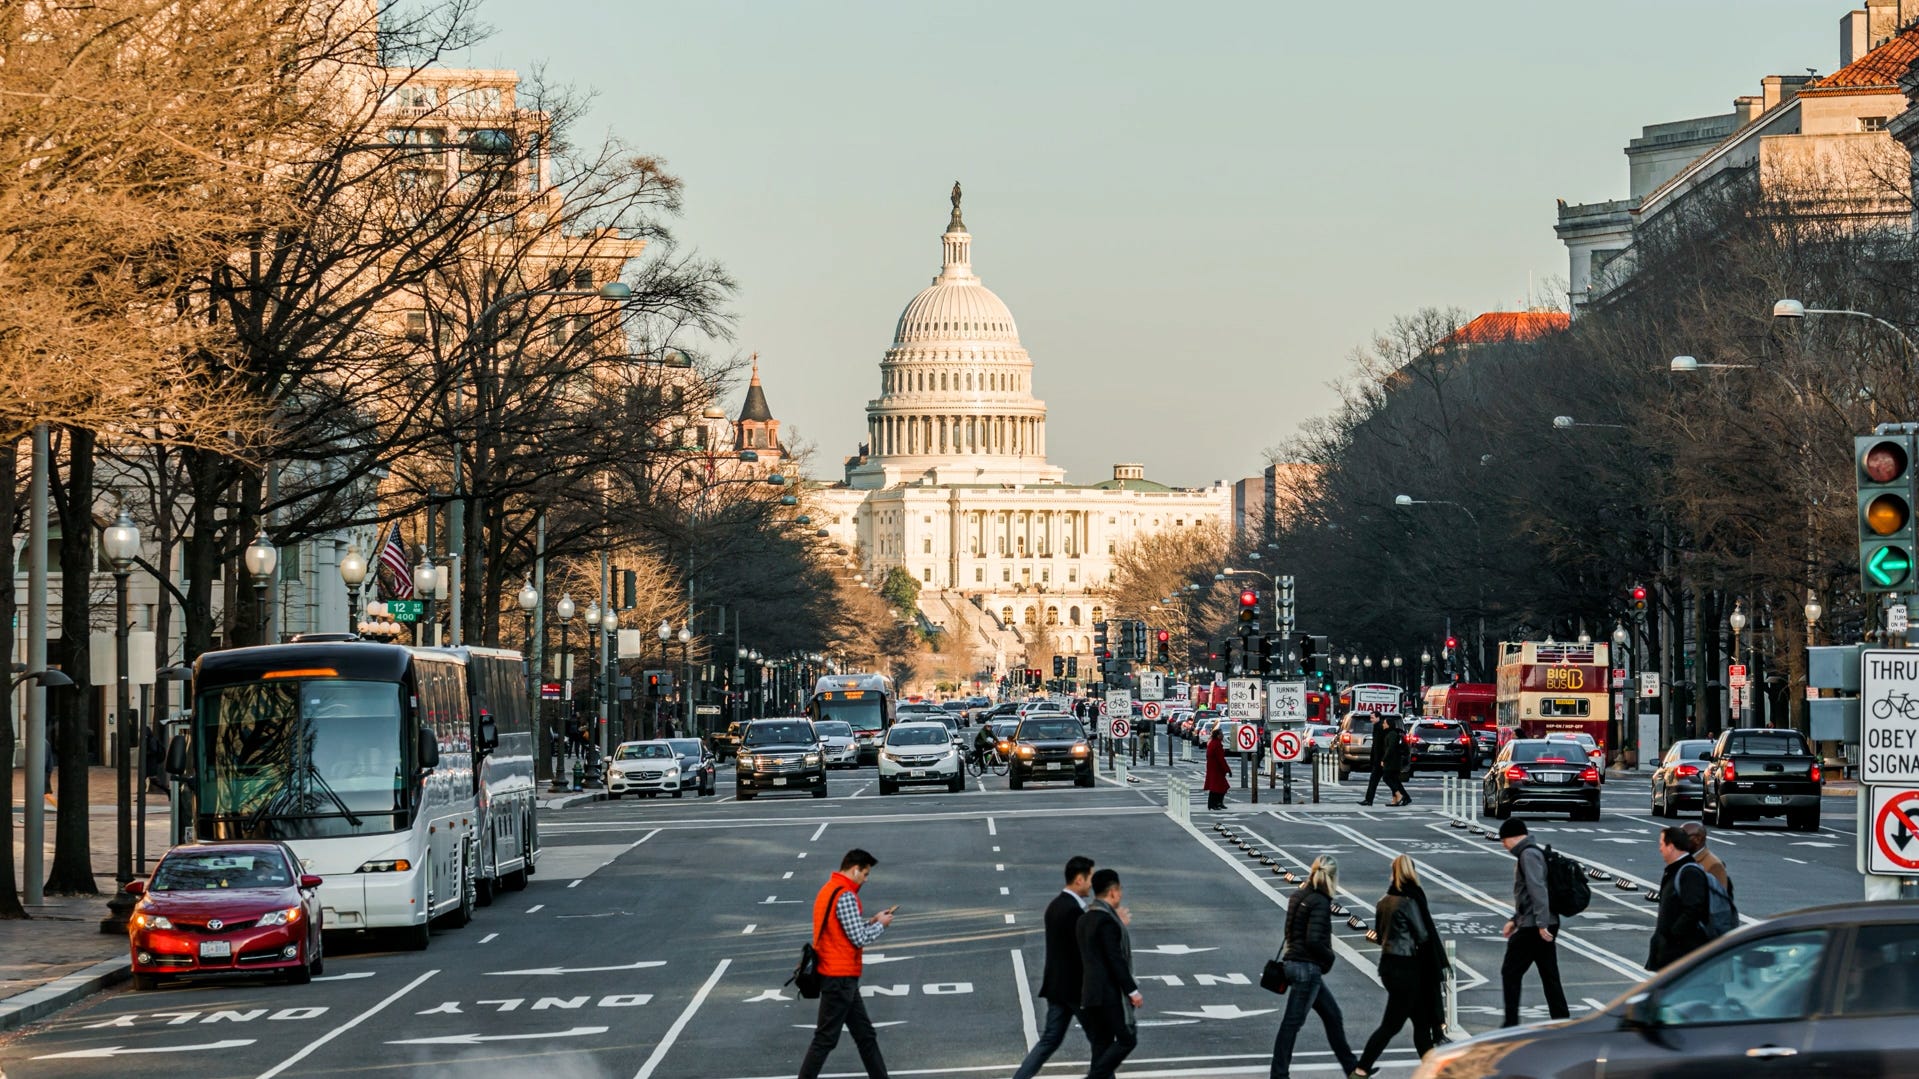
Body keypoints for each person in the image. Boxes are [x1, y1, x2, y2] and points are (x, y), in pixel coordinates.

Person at [797, 849, 897, 1079]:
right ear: (855, 869)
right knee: (825, 1039)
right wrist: (881, 925)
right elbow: (859, 938)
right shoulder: (846, 895)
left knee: (865, 1036)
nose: (866, 879)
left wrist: (871, 920)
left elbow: (840, 929)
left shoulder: (828, 890)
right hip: (839, 977)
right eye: (865, 873)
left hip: (836, 975)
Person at [1269, 856, 1360, 1079]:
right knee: (1292, 1024)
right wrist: (1329, 958)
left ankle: (1353, 1069)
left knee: (1332, 1015)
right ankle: (1278, 1075)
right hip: (1307, 970)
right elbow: (1314, 941)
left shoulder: (1298, 894)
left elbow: (1289, 931)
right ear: (1332, 878)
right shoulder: (1320, 901)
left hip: (1292, 963)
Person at [1354, 855, 1446, 1075]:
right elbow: (1423, 934)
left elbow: (1378, 935)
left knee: (1421, 1021)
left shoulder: (1383, 901)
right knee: (1392, 1025)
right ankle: (1361, 1069)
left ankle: (1433, 1070)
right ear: (1411, 872)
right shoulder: (1409, 900)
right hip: (1407, 967)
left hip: (1388, 965)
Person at [1011, 855, 1095, 1079]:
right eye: (1090, 878)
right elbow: (1083, 953)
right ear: (1079, 879)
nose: (1091, 884)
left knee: (1050, 1040)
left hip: (1057, 987)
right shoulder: (1073, 911)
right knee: (1102, 1042)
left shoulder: (1055, 906)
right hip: (1076, 990)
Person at [1498, 819, 1568, 1026]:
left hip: (1534, 927)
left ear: (1514, 837)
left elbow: (1537, 889)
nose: (1504, 845)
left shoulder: (1528, 855)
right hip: (1537, 922)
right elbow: (1529, 895)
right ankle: (1561, 1021)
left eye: (1504, 841)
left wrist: (1541, 924)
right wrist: (1514, 920)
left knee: (1510, 971)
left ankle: (1510, 1024)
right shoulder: (1531, 853)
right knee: (1549, 976)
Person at [1078, 868, 1139, 1079]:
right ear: (1113, 892)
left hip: (1089, 995)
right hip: (1109, 995)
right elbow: (1115, 959)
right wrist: (1132, 990)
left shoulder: (1084, 919)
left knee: (1101, 1045)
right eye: (1120, 890)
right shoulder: (1107, 921)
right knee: (1127, 1039)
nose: (1120, 895)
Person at [1647, 825, 1712, 971]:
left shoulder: (1689, 872)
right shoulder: (1677, 869)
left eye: (1662, 844)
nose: (1660, 849)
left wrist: (1672, 937)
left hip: (1680, 953)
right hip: (1672, 952)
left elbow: (1694, 909)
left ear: (1671, 846)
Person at [1361, 713, 1410, 806]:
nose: (1370, 719)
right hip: (1382, 759)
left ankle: (1369, 800)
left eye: (1372, 717)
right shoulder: (1379, 727)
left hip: (1383, 760)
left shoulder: (1382, 729)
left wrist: (1382, 759)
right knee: (1392, 779)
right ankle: (1404, 797)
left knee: (1382, 779)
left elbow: (1385, 746)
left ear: (1378, 718)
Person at [1679, 821, 1732, 897]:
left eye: (1684, 837)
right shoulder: (1685, 859)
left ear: (1698, 839)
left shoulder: (1714, 865)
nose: (1679, 841)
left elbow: (1718, 901)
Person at [1203, 728, 1231, 810]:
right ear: (1218, 735)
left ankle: (1218, 803)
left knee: (1221, 787)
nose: (1222, 736)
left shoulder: (1213, 743)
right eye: (1221, 734)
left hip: (1214, 768)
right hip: (1216, 769)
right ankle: (1213, 804)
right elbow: (1221, 759)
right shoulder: (1216, 744)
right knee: (1216, 788)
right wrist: (1227, 769)